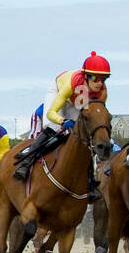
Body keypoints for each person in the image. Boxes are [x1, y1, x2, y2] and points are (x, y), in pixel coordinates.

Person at [13, 51, 111, 201]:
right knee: (52, 127)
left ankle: (91, 184)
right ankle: (26, 163)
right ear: (85, 76)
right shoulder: (71, 84)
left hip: (78, 98)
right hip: (59, 93)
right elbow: (52, 113)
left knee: (84, 138)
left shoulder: (102, 92)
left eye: (104, 79)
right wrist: (62, 121)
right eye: (94, 78)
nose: (99, 83)